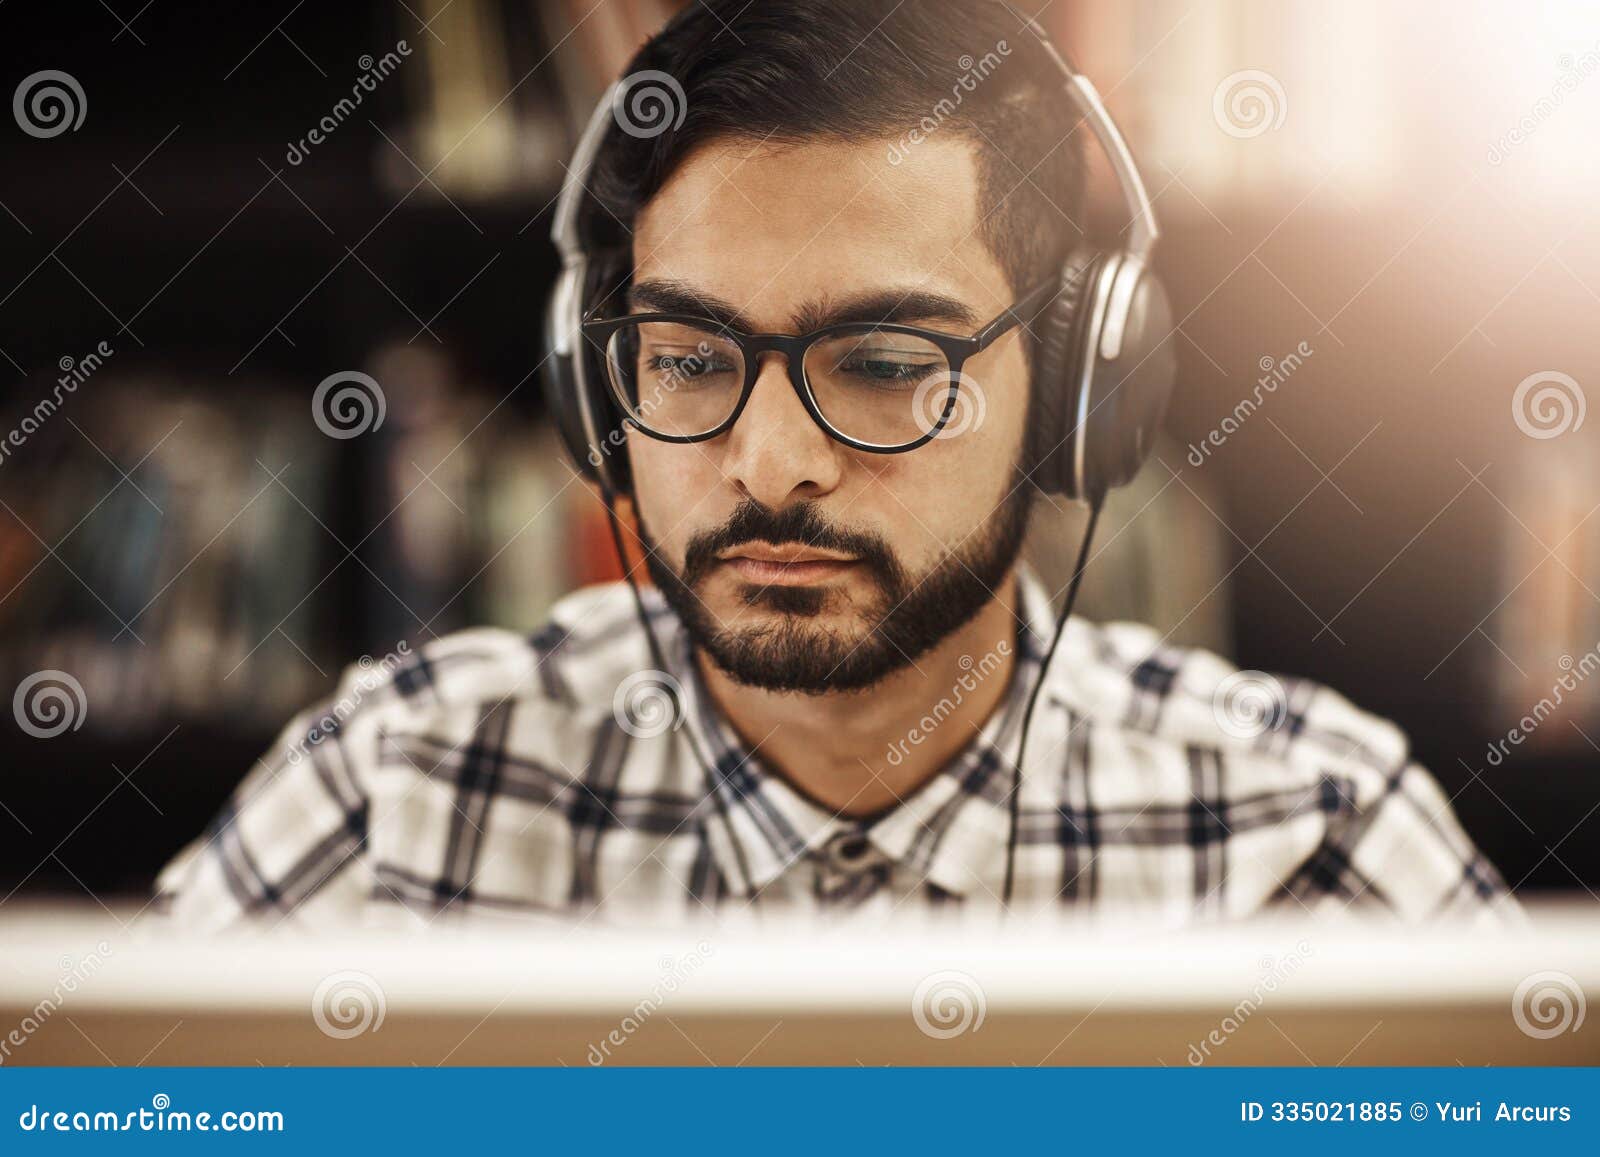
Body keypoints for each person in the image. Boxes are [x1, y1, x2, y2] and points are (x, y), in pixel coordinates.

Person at [157, 0, 1510, 928]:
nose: (770, 464)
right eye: (689, 359)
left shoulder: (1314, 829)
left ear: (1074, 389)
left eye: (881, 362)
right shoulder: (394, 789)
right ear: (596, 383)